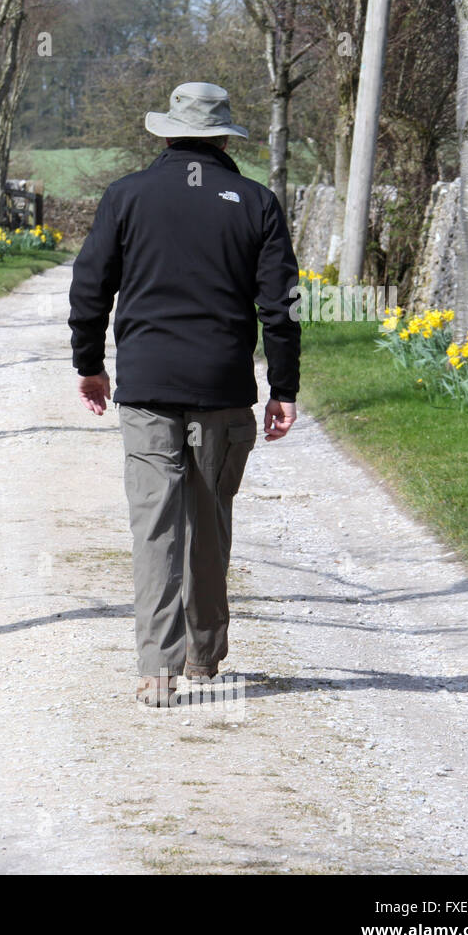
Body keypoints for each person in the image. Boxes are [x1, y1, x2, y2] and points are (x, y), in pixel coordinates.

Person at [67, 81, 302, 708]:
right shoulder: (256, 202)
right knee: (209, 520)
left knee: (155, 525)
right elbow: (280, 308)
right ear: (224, 137)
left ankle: (156, 670)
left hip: (146, 388)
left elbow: (89, 289)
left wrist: (89, 364)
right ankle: (202, 655)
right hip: (224, 387)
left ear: (166, 132)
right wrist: (283, 387)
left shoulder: (126, 196)